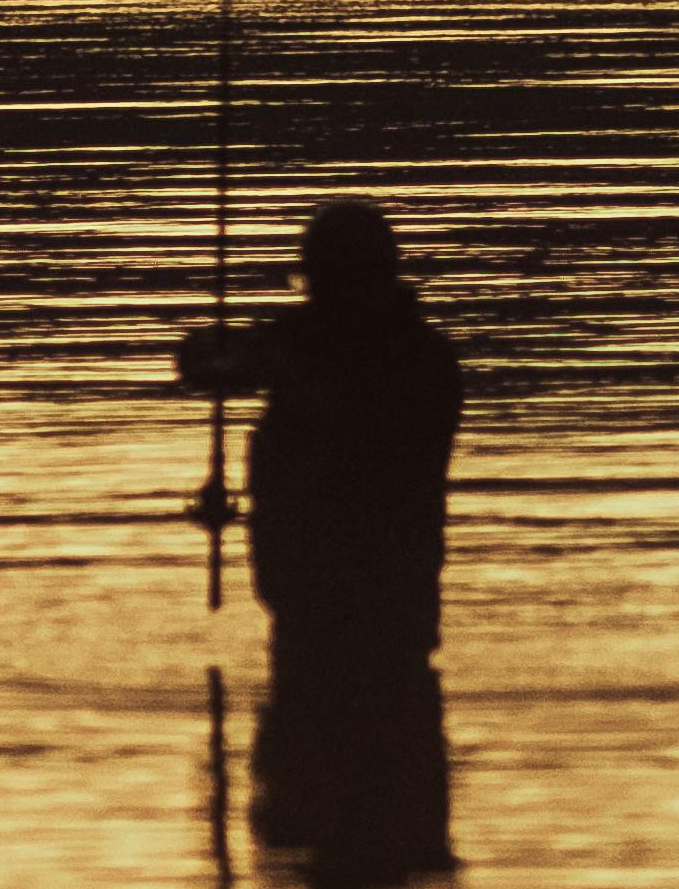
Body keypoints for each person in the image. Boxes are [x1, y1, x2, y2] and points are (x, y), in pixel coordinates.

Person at [175, 197, 465, 677]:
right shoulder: (415, 354)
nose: (310, 295)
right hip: (331, 608)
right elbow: (198, 360)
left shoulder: (418, 363)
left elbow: (359, 434)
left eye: (314, 283)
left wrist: (281, 372)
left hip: (376, 606)